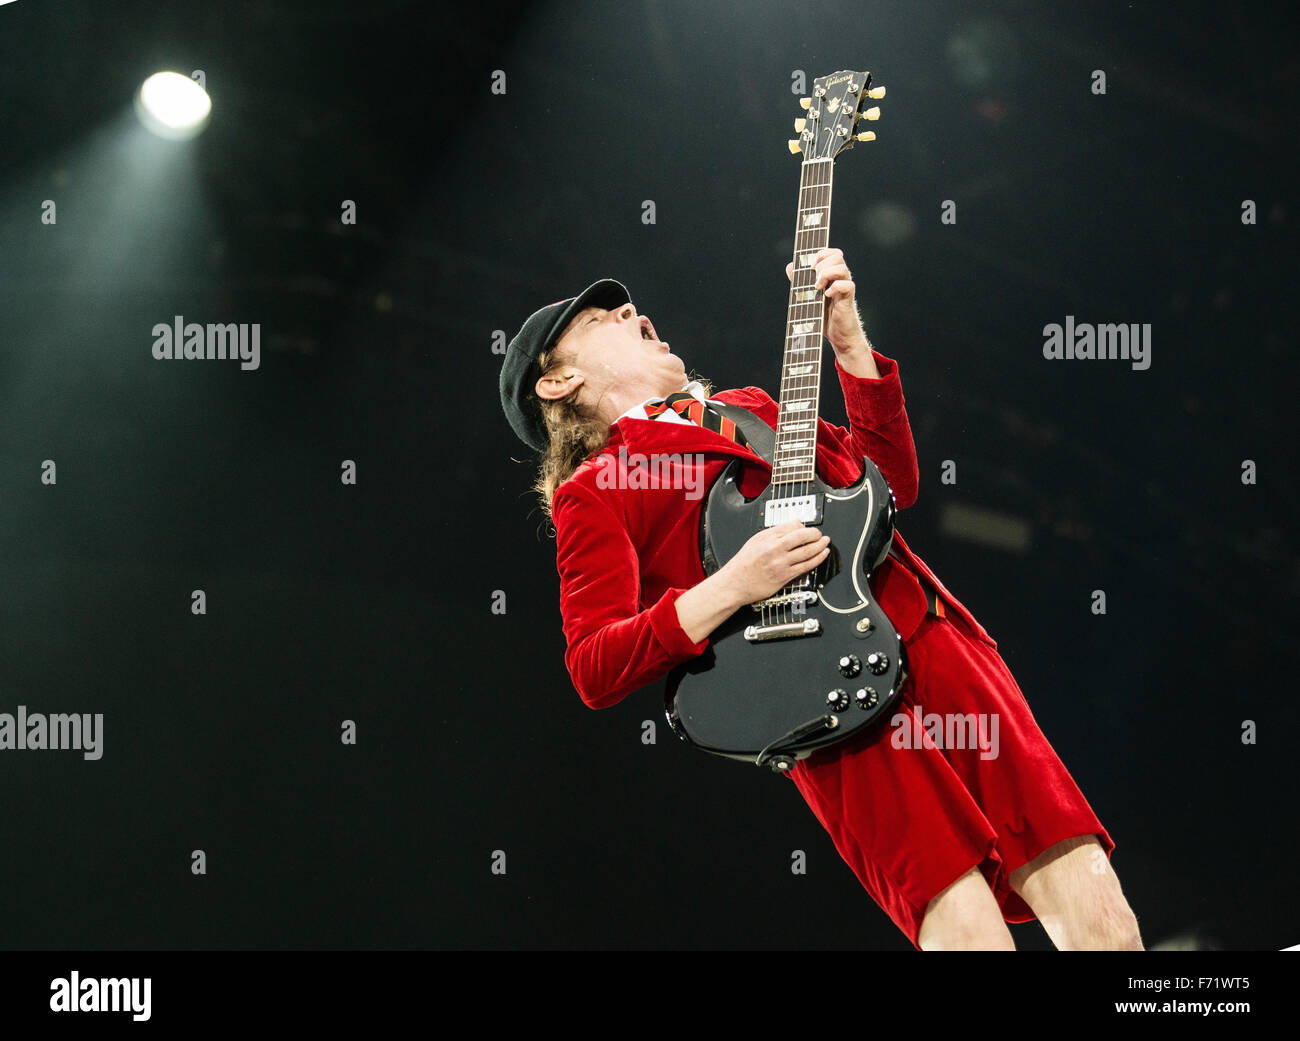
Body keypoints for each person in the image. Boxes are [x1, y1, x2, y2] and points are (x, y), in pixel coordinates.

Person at [498, 247, 1143, 951]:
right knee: (962, 920)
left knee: (1086, 882)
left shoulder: (751, 408)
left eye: (628, 305)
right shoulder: (594, 489)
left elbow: (889, 482)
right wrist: (734, 583)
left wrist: (848, 340)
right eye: (601, 318)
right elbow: (594, 664)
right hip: (818, 698)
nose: (634, 312)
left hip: (927, 632)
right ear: (559, 380)